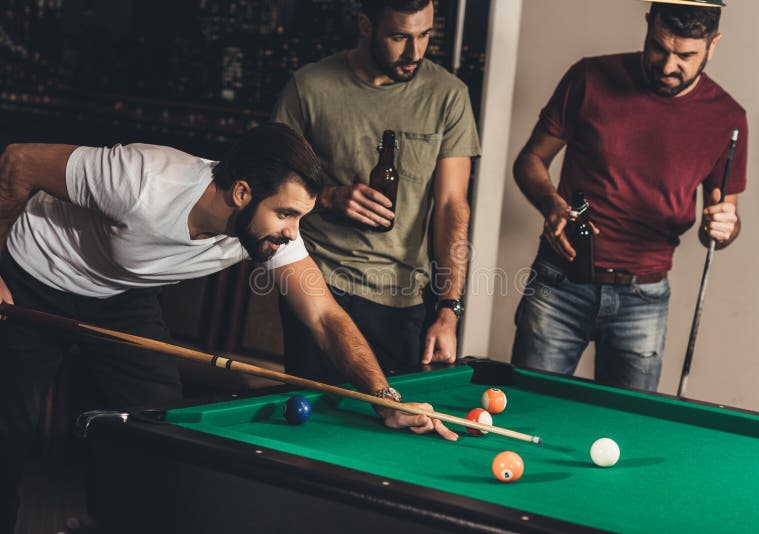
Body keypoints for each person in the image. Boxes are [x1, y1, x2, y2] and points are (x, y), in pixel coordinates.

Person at [0, 124, 457, 531]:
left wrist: (383, 399)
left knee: (162, 432)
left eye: (301, 217)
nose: (293, 232)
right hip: (31, 278)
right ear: (242, 193)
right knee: (8, 432)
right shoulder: (142, 180)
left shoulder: (267, 233)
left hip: (122, 298)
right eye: (286, 214)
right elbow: (18, 162)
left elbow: (324, 315)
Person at [510, 3, 747, 391]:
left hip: (644, 299)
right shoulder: (589, 77)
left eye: (686, 56)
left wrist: (723, 227)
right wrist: (552, 203)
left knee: (629, 431)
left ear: (713, 45)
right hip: (560, 282)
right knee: (529, 406)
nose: (668, 66)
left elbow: (719, 228)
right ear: (648, 26)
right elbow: (530, 161)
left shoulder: (729, 118)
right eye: (659, 48)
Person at [273, 0, 481, 383]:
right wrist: (330, 198)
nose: (414, 52)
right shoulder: (309, 86)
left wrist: (449, 309)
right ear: (367, 26)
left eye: (424, 35)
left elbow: (453, 207)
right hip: (316, 281)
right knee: (310, 416)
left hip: (401, 299)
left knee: (392, 417)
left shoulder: (449, 96)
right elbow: (271, 190)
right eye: (399, 36)